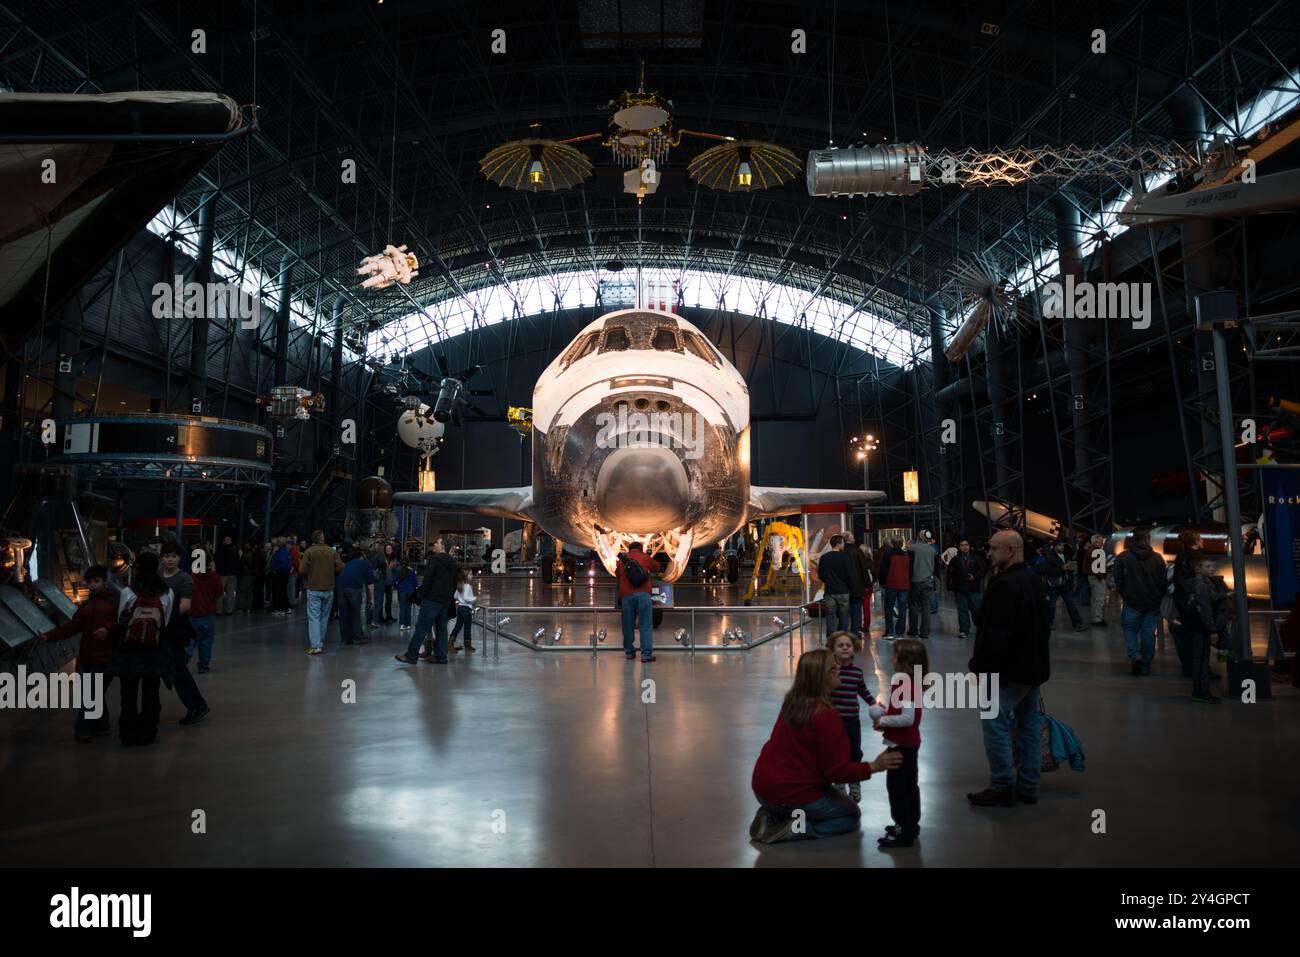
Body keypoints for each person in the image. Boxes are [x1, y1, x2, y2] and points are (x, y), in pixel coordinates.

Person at [749, 648, 902, 843]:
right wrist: (874, 766)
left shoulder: (793, 702)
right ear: (822, 677)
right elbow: (837, 772)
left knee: (832, 802)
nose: (839, 668)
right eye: (833, 667)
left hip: (762, 788)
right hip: (792, 792)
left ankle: (773, 814)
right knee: (850, 816)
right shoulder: (827, 716)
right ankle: (795, 828)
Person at [967, 529, 1050, 807]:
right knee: (1027, 727)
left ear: (1010, 551)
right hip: (1032, 669)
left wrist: (981, 668)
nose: (988, 553)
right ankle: (1028, 785)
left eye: (993, 549)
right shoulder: (1034, 580)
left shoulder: (1004, 586)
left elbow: (995, 634)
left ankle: (1002, 784)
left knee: (995, 725)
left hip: (1006, 672)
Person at [38, 564, 118, 741]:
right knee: (93, 693)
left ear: (104, 581)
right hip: (87, 656)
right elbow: (73, 626)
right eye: (90, 582)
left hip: (105, 657)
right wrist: (49, 636)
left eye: (96, 581)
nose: (92, 585)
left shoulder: (115, 601)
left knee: (92, 694)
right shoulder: (87, 605)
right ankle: (102, 725)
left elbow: (124, 622)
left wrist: (108, 629)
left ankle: (83, 728)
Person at [110, 551, 175, 747]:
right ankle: (148, 732)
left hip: (129, 649)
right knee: (151, 692)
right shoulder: (167, 593)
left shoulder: (128, 592)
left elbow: (120, 619)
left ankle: (128, 734)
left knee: (128, 694)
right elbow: (167, 621)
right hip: (154, 649)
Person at [874, 638, 927, 848]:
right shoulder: (907, 684)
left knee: (897, 788)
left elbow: (908, 718)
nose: (891, 659)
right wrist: (887, 714)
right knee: (909, 787)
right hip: (907, 744)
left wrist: (883, 720)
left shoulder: (906, 687)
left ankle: (902, 830)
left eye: (895, 656)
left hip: (903, 746)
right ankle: (910, 824)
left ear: (906, 662)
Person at [158, 541, 210, 726]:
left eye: (173, 556)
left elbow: (185, 605)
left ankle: (197, 705)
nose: (170, 559)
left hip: (175, 630)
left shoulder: (184, 579)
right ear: (162, 558)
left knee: (178, 669)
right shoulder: (158, 576)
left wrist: (161, 617)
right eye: (166, 556)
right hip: (157, 630)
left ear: (179, 558)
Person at [828, 631, 877, 802]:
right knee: (836, 752)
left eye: (848, 645)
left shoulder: (857, 673)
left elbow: (863, 691)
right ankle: (839, 782)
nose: (844, 648)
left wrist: (874, 703)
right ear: (833, 650)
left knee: (854, 751)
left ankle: (854, 782)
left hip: (852, 720)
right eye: (840, 645)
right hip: (834, 721)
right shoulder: (831, 672)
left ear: (853, 649)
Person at [1114, 529, 1167, 675]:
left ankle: (1135, 655)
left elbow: (1118, 579)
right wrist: (1160, 595)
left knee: (1130, 628)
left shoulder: (1123, 557)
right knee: (1148, 633)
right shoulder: (1157, 558)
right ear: (1148, 540)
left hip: (1132, 601)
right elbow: (1164, 581)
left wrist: (1124, 594)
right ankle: (1145, 664)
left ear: (1133, 540)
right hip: (1153, 603)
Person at [397, 538, 457, 664]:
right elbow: (454, 583)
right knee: (441, 629)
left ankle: (411, 655)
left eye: (437, 542)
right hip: (444, 601)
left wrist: (420, 596)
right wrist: (448, 598)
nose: (434, 544)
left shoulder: (434, 560)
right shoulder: (452, 562)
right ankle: (441, 656)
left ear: (443, 546)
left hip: (432, 599)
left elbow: (427, 580)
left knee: (422, 627)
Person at [1179, 556, 1229, 704]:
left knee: (1200, 659)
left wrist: (1224, 595)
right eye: (1207, 567)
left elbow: (1210, 598)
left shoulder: (1198, 584)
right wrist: (1212, 630)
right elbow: (1205, 608)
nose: (1212, 569)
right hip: (1201, 627)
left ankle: (1200, 690)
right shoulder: (1201, 585)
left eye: (1212, 566)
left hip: (1196, 626)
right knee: (1201, 660)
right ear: (1198, 569)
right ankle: (1201, 691)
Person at [615, 541, 662, 662]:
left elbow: (617, 574)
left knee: (627, 626)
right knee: (645, 625)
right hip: (643, 595)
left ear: (629, 550)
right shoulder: (645, 557)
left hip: (626, 596)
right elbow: (657, 567)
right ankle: (646, 655)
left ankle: (629, 653)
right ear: (641, 549)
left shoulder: (622, 561)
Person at [301, 530, 344, 655]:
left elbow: (302, 570)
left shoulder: (309, 552)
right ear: (323, 539)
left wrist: (309, 575)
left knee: (314, 617)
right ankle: (319, 643)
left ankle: (316, 645)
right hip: (329, 589)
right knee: (324, 617)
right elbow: (340, 567)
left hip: (313, 588)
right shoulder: (332, 552)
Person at [187, 547, 224, 673]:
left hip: (192, 614)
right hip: (208, 615)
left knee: (189, 642)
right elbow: (219, 594)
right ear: (209, 563)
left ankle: (182, 663)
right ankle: (204, 666)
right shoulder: (215, 577)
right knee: (206, 642)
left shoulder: (191, 577)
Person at [945, 539, 987, 640]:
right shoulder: (955, 560)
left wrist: (975, 576)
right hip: (960, 589)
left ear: (969, 546)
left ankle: (980, 629)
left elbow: (983, 570)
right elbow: (950, 574)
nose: (964, 547)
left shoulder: (977, 558)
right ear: (959, 547)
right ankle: (964, 630)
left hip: (974, 588)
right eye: (962, 545)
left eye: (966, 545)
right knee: (962, 610)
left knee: (976, 610)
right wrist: (950, 588)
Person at [1041, 538, 1087, 632]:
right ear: (1055, 547)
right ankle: (1048, 623)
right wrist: (1062, 568)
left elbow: (1067, 570)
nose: (1062, 547)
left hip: (1065, 585)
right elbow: (1048, 572)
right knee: (1051, 606)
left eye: (1062, 545)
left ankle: (1077, 624)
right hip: (1054, 586)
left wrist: (1071, 568)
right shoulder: (1050, 557)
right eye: (1059, 545)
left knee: (1071, 605)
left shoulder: (1066, 556)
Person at [335, 546, 377, 646]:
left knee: (344, 614)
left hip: (340, 588)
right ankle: (357, 638)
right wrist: (372, 598)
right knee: (355, 613)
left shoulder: (348, 564)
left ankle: (345, 639)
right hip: (354, 589)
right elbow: (370, 582)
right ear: (361, 556)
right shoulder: (365, 564)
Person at [877, 536, 912, 640]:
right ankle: (900, 632)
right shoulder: (906, 555)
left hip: (891, 584)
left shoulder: (888, 554)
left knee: (888, 609)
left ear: (892, 543)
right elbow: (909, 570)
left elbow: (884, 570)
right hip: (904, 585)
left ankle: (890, 632)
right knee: (902, 609)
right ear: (902, 543)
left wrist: (883, 582)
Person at [817, 535, 851, 637]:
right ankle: (842, 637)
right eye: (843, 543)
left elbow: (821, 575)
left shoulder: (824, 558)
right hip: (843, 590)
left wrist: (828, 581)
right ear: (838, 544)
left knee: (830, 615)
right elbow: (849, 574)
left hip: (830, 591)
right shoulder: (845, 557)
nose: (844, 545)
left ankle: (831, 638)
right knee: (844, 615)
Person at [842, 532, 872, 642]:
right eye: (853, 536)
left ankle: (843, 632)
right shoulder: (858, 552)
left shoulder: (842, 551)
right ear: (849, 539)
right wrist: (868, 584)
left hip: (844, 586)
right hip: (857, 586)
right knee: (856, 609)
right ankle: (855, 632)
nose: (855, 537)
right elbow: (863, 570)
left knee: (844, 611)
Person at [906, 534, 937, 639]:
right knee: (926, 607)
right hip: (928, 581)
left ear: (919, 537)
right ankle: (925, 632)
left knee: (913, 606)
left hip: (915, 581)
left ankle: (913, 630)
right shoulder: (932, 550)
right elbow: (936, 566)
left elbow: (909, 565)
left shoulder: (912, 548)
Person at [448, 568, 476, 655]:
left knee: (458, 626)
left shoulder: (460, 586)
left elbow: (455, 596)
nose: (472, 576)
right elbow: (467, 598)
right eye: (470, 574)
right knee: (467, 627)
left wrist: (460, 600)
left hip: (460, 608)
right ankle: (467, 644)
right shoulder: (468, 586)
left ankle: (450, 642)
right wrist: (474, 598)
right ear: (466, 577)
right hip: (466, 609)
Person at [1085, 534, 1108, 625]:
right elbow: (1096, 568)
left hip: (1092, 578)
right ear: (1095, 542)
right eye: (1101, 541)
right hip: (1096, 578)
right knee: (1099, 599)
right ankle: (1098, 619)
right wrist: (1101, 577)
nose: (1102, 543)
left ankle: (1095, 618)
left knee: (1095, 599)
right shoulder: (1095, 552)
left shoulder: (1090, 550)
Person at [215, 535, 240, 616]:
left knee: (220, 593)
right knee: (230, 593)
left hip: (222, 574)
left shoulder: (220, 550)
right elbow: (237, 562)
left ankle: (219, 611)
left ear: (224, 541)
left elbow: (217, 561)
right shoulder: (235, 550)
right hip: (232, 574)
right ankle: (229, 610)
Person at [267, 538, 292, 615]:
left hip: (279, 575)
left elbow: (281, 563)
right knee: (282, 591)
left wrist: (275, 568)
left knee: (279, 591)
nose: (276, 543)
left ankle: (281, 609)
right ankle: (285, 607)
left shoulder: (282, 552)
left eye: (278, 542)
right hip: (282, 574)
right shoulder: (284, 551)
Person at [395, 559, 419, 634]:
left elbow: (394, 580)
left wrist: (397, 585)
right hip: (410, 591)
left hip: (402, 591)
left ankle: (402, 625)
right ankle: (408, 625)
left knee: (402, 608)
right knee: (409, 608)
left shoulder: (399, 571)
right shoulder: (412, 572)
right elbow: (416, 582)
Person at [249, 541, 267, 613]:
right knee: (260, 591)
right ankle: (260, 605)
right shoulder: (262, 553)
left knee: (256, 590)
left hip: (257, 574)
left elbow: (256, 564)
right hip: (262, 574)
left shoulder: (256, 553)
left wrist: (253, 572)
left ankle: (256, 605)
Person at [286, 537, 302, 609]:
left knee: (291, 588)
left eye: (288, 544)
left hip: (293, 572)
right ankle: (291, 601)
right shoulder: (292, 551)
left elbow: (296, 563)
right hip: (293, 572)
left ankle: (292, 602)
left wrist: (295, 570)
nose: (287, 546)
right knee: (290, 587)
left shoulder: (294, 552)